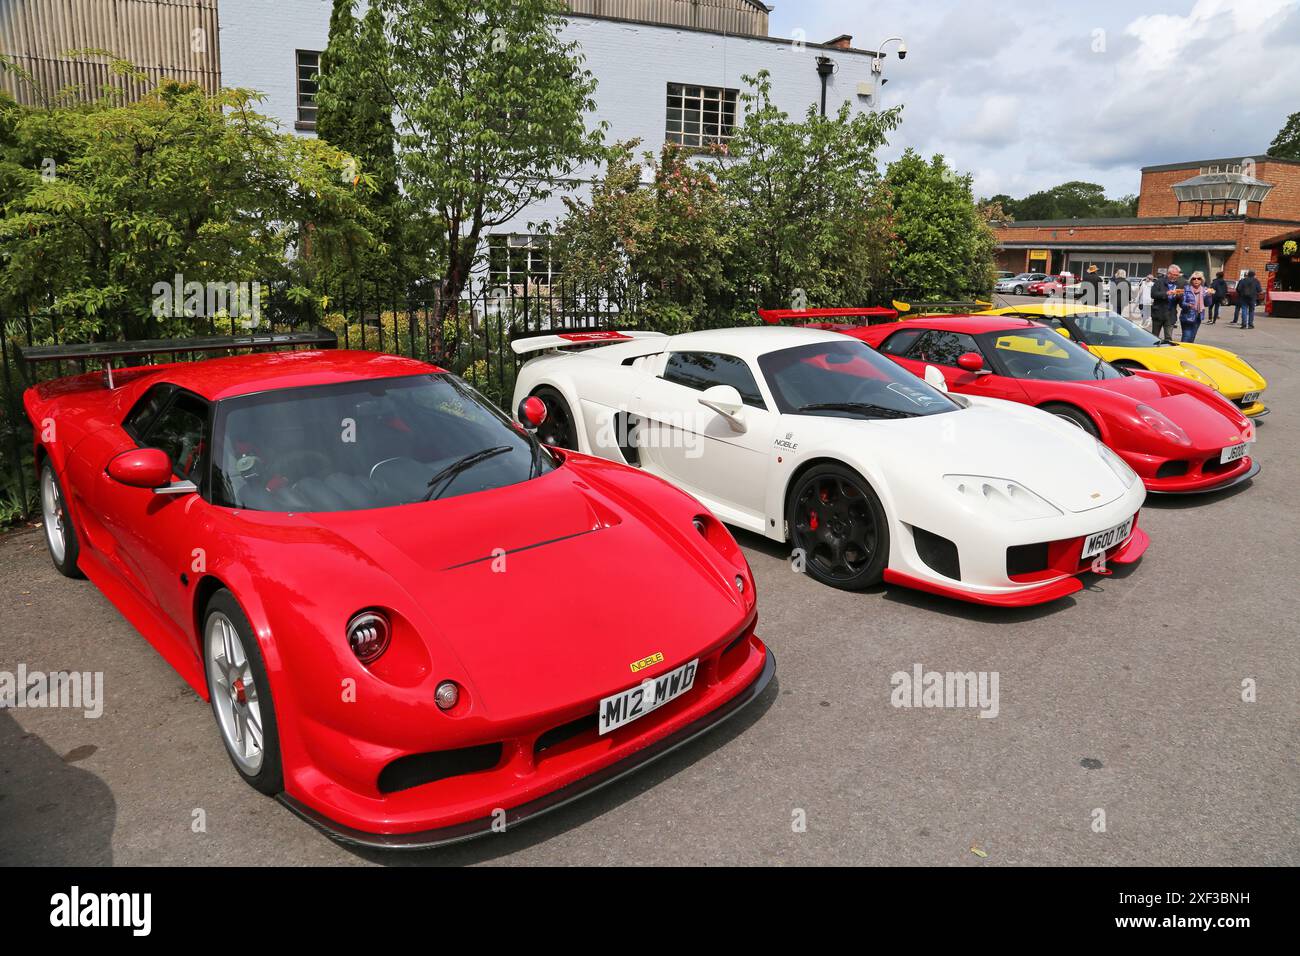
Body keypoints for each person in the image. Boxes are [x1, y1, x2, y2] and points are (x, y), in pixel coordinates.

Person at [1150, 265, 1182, 341]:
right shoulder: (1159, 281)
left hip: (1170, 315)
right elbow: (1153, 294)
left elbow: (1180, 300)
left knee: (1168, 338)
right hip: (1158, 313)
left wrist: (1179, 296)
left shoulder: (1179, 284)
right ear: (1169, 274)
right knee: (1154, 336)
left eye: (1177, 275)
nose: (1176, 277)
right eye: (1174, 275)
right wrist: (1166, 293)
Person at [1179, 271, 1212, 342]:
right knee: (1186, 337)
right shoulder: (1186, 289)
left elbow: (1207, 304)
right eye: (1194, 278)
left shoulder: (1205, 290)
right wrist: (1188, 305)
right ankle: (1183, 352)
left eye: (1198, 278)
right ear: (1191, 280)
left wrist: (1209, 296)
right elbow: (1182, 303)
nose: (1196, 280)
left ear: (1202, 280)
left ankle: (1189, 352)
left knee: (1192, 338)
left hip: (1198, 316)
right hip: (1187, 316)